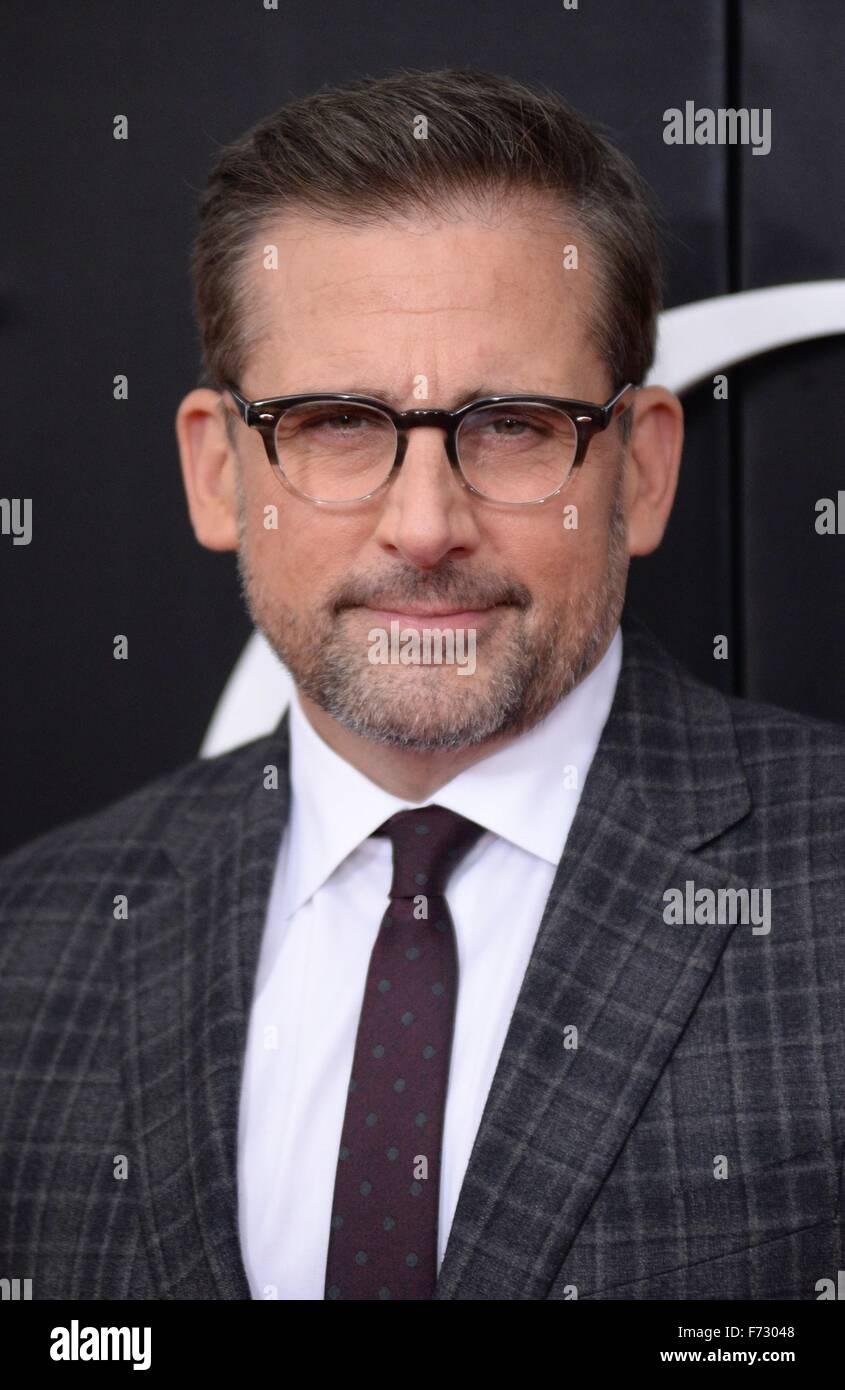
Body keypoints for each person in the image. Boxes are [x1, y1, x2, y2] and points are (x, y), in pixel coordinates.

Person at [1, 68, 842, 1302]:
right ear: (219, 474)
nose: (425, 524)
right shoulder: (26, 949)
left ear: (644, 469)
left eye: (510, 423)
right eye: (336, 421)